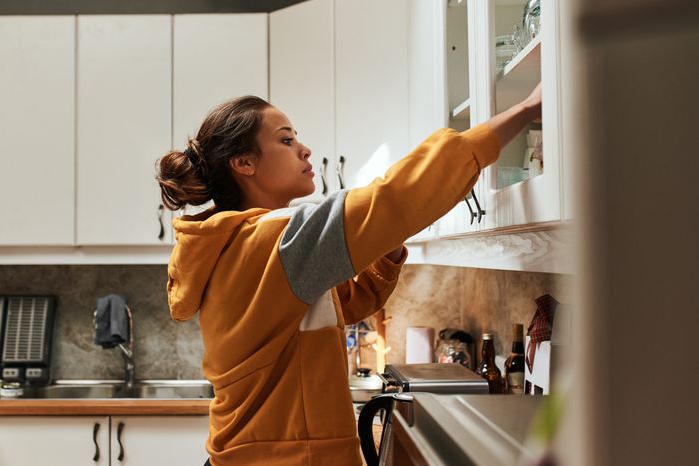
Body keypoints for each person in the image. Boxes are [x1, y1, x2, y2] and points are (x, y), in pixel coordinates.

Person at [156, 85, 542, 465]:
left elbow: (346, 302)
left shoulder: (243, 243)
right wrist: (527, 107)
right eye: (286, 140)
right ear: (244, 163)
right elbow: (397, 196)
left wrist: (389, 234)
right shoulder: (272, 240)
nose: (305, 149)